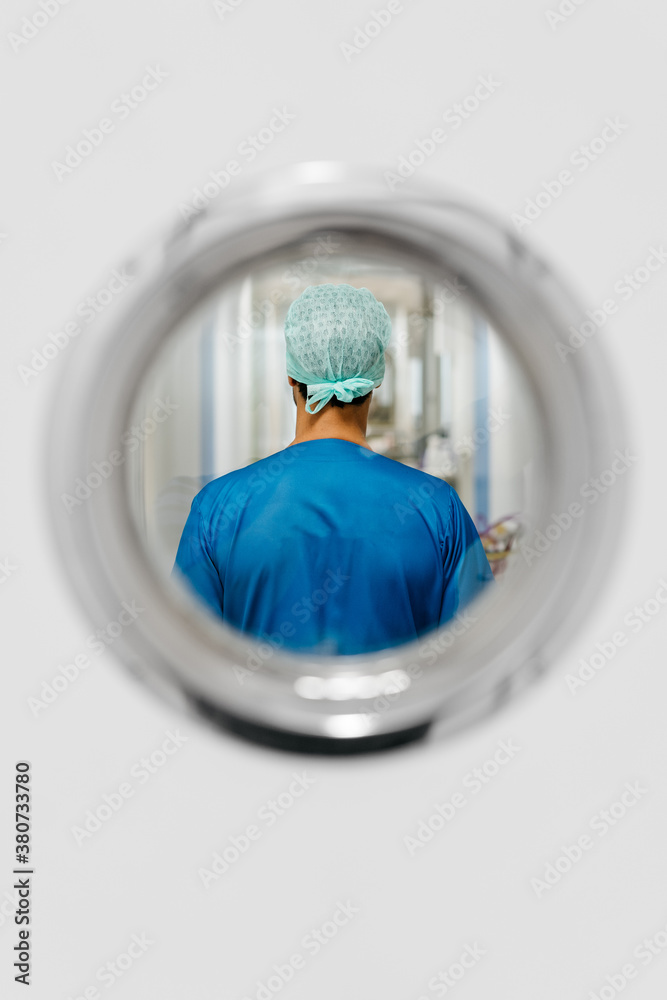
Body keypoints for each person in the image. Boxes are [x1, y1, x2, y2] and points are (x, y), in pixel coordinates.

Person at [172, 283, 494, 655]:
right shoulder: (438, 508)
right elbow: (478, 654)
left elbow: (188, 656)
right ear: (375, 382)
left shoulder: (218, 507)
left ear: (292, 377)